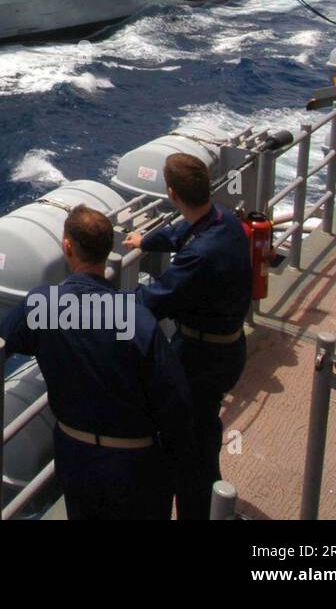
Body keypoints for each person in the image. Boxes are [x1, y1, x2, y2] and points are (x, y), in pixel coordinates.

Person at [1, 205, 192, 520]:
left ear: (67, 248)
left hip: (77, 460)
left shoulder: (45, 305)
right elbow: (175, 399)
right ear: (109, 250)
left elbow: (7, 335)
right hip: (135, 464)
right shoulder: (134, 316)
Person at [124, 152, 252, 520]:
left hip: (201, 358)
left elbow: (155, 300)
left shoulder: (200, 255)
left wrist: (100, 305)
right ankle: (213, 502)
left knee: (187, 447)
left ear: (171, 193)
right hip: (228, 348)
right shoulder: (223, 219)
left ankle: (200, 511)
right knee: (203, 433)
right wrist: (147, 241)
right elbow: (181, 230)